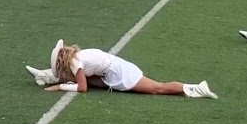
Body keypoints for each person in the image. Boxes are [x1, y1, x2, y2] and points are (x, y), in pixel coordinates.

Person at [25, 40, 218, 98]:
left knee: (157, 88)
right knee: (72, 79)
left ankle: (196, 88)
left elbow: (82, 87)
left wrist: (60, 87)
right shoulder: (78, 57)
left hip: (119, 72)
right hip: (111, 69)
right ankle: (44, 76)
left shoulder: (76, 64)